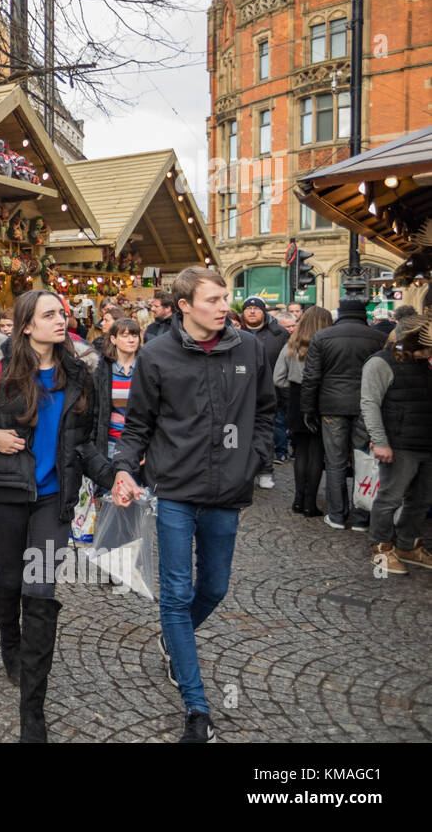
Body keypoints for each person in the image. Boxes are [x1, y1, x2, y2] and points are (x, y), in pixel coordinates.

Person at [112, 266, 275, 743]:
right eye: (214, 299)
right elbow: (137, 425)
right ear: (184, 306)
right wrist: (123, 467)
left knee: (217, 588)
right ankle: (196, 705)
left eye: (226, 297)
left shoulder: (249, 348)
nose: (226, 306)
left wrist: (255, 458)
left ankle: (172, 639)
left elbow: (265, 411)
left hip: (228, 491)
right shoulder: (157, 354)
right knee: (177, 595)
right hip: (176, 492)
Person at [0, 291, 112, 742]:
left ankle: (32, 713)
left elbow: (87, 443)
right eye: (49, 315)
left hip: (54, 501)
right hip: (5, 494)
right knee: (9, 579)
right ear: (26, 326)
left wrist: (112, 477)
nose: (61, 320)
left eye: (62, 313)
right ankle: (10, 643)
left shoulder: (81, 373)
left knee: (39, 591)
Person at [300, 298, 385, 532]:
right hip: (366, 406)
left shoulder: (323, 337)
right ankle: (361, 517)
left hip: (332, 406)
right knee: (363, 461)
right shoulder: (378, 338)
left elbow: (311, 377)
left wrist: (308, 409)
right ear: (362, 314)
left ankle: (337, 515)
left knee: (335, 462)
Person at [358, 316, 432, 574]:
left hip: (424, 441)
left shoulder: (423, 363)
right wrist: (380, 441)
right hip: (399, 442)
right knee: (389, 499)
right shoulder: (380, 362)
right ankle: (380, 549)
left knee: (421, 499)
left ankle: (407, 545)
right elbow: (369, 403)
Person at [274, 306, 333, 517]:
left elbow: (278, 378)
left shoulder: (292, 345)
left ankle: (298, 500)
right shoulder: (328, 345)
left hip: (297, 399)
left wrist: (294, 388)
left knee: (301, 452)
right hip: (320, 398)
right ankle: (310, 504)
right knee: (316, 453)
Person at [240, 295, 290, 478]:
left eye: (257, 309)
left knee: (268, 430)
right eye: (248, 309)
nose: (252, 312)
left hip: (270, 390)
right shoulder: (232, 332)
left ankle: (266, 468)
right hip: (240, 392)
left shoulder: (279, 334)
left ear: (264, 312)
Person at [93, 317, 141, 461]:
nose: (131, 340)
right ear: (113, 339)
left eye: (134, 335)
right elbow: (96, 410)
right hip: (109, 444)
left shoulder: (146, 368)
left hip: (139, 445)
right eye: (125, 336)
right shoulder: (102, 370)